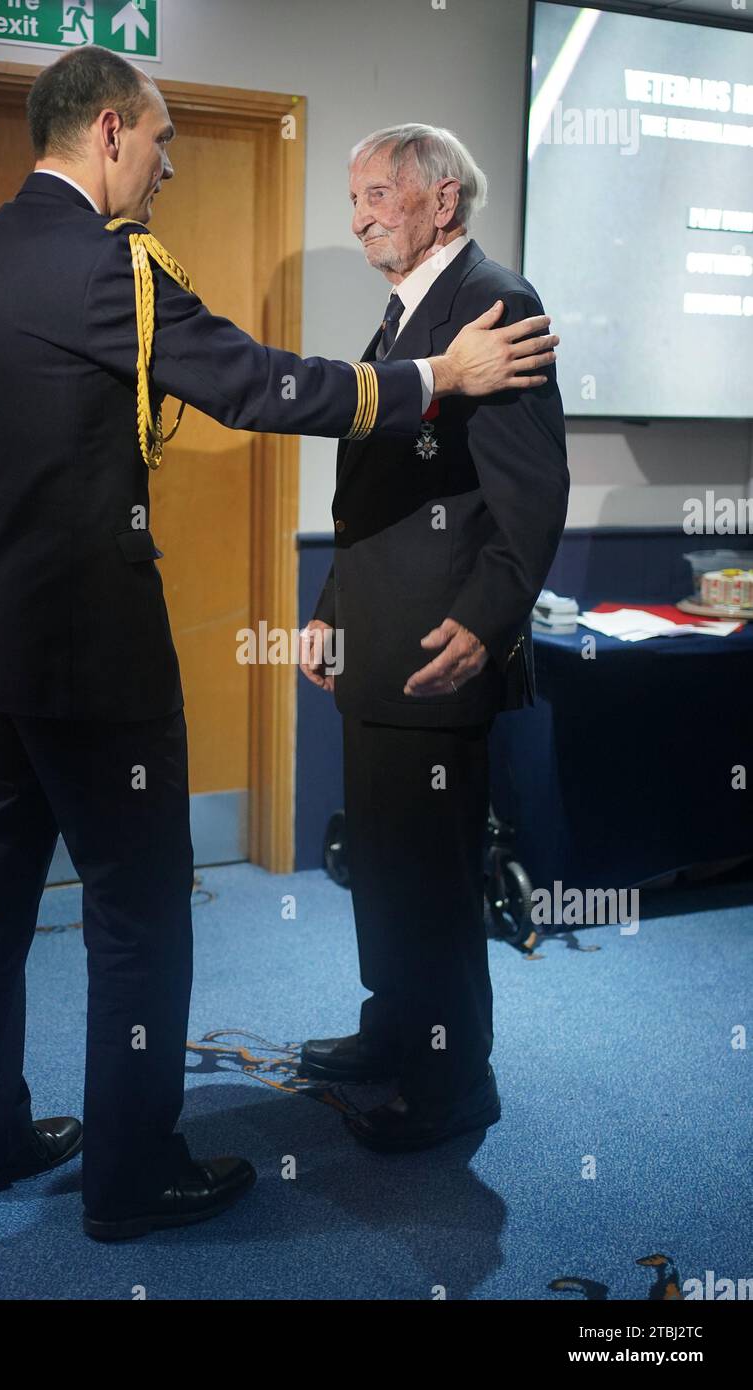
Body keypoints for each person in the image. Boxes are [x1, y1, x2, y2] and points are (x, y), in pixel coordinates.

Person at [0, 50, 559, 1240]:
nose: (166, 168)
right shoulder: (111, 265)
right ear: (111, 130)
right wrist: (434, 375)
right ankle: (131, 1177)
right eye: (161, 142)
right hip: (96, 662)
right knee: (139, 916)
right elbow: (260, 386)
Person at [299, 124, 570, 1151]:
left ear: (442, 199)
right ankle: (394, 1033)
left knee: (433, 885)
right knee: (383, 867)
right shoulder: (406, 313)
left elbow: (531, 492)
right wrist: (330, 609)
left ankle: (454, 1086)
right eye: (354, 199)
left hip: (439, 654)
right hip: (375, 646)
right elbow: (376, 493)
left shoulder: (496, 303)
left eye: (376, 195)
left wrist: (489, 622)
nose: (359, 217)